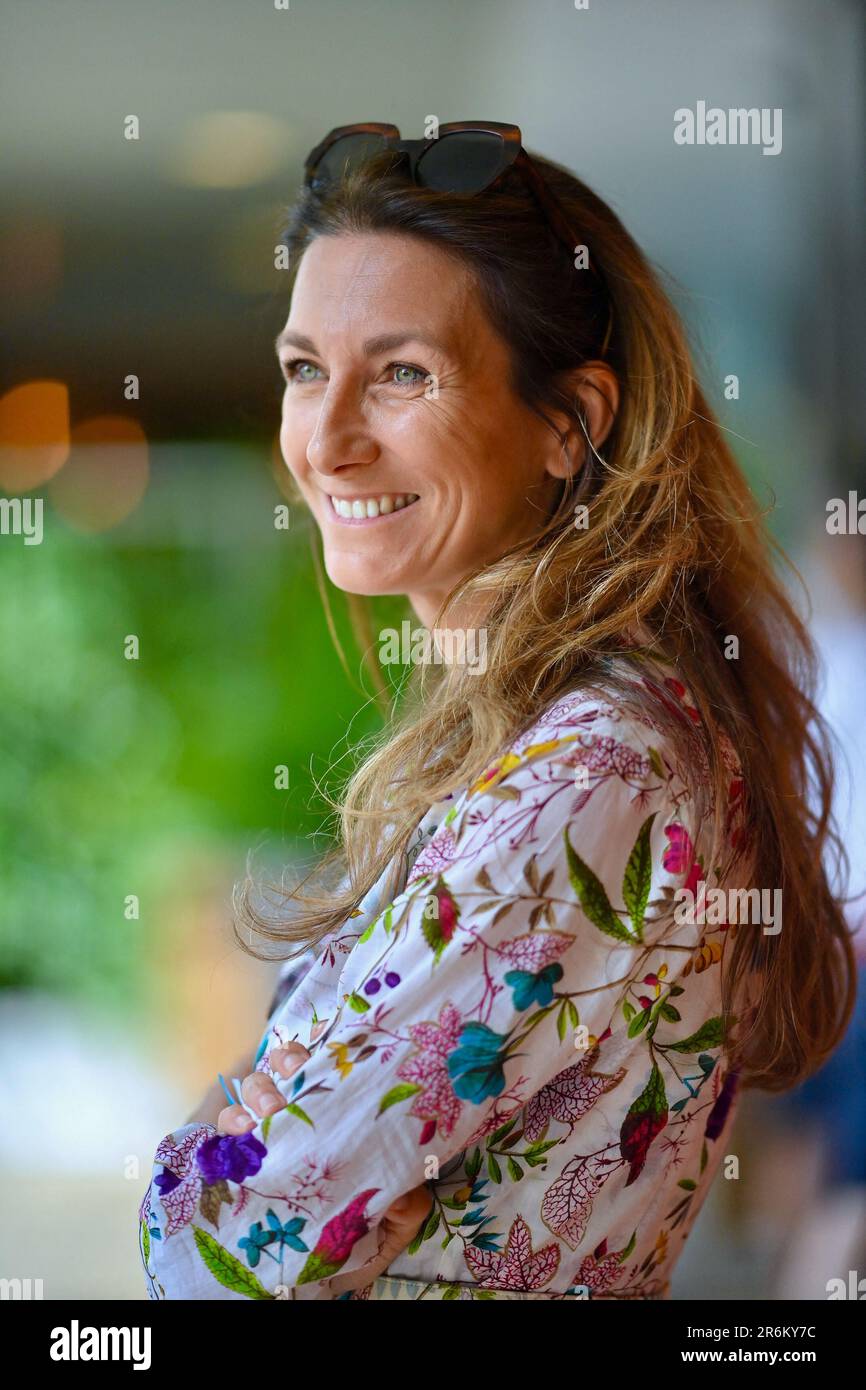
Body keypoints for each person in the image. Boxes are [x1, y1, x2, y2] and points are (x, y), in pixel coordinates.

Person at [138, 122, 856, 1301]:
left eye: (403, 373)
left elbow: (218, 1264)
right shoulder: (561, 741)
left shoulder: (585, 774)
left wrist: (210, 1141)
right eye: (304, 367)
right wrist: (256, 1124)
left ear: (567, 422)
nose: (324, 440)